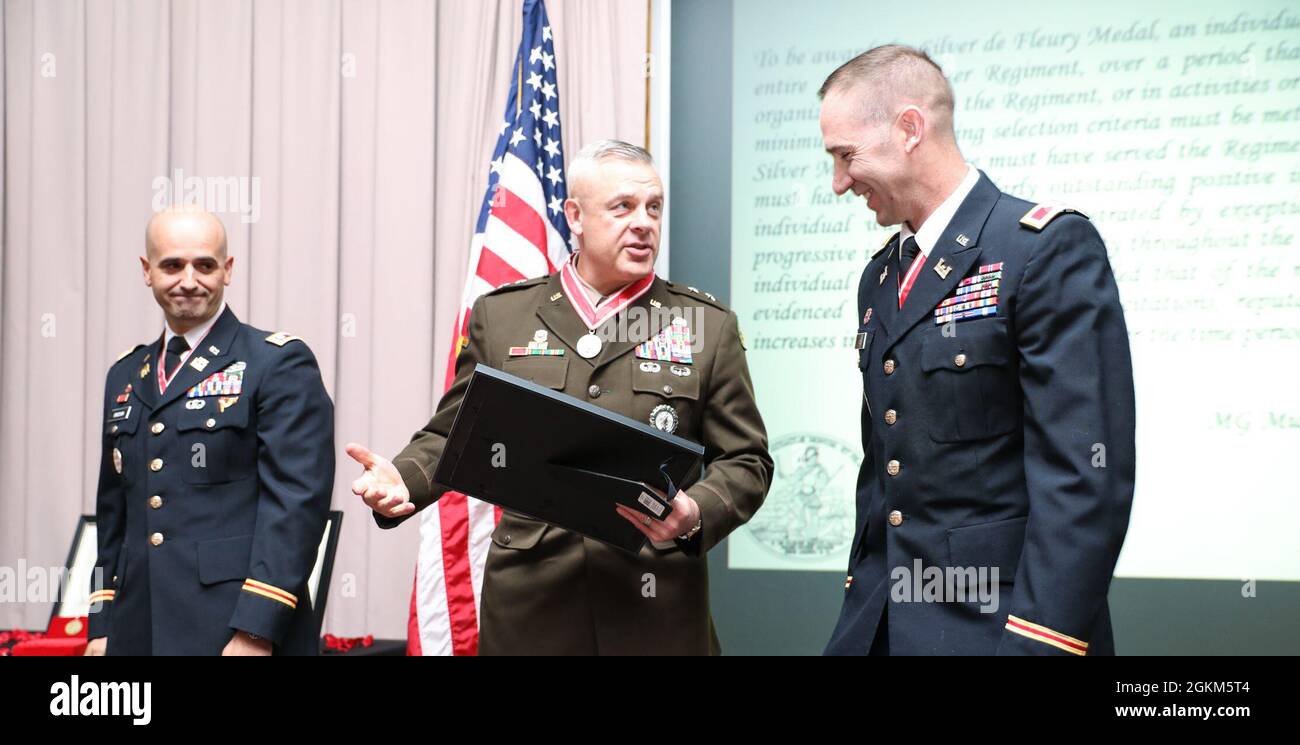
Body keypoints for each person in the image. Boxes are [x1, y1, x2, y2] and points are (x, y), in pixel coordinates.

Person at [347, 140, 772, 655]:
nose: (643, 222)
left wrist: (697, 511)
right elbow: (455, 433)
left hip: (654, 607)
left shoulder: (705, 325)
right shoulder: (504, 316)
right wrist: (404, 480)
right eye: (622, 207)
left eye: (654, 207)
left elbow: (746, 460)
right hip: (532, 606)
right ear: (575, 215)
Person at [817, 45, 1136, 655]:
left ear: (910, 128)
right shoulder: (881, 276)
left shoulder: (1044, 250)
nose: (838, 183)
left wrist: (1042, 642)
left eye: (846, 155)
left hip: (995, 631)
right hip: (881, 622)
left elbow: (1084, 478)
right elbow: (886, 472)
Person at [86, 204, 334, 656]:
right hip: (137, 628)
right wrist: (103, 622)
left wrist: (256, 630)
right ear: (147, 271)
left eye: (204, 265)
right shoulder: (124, 375)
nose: (188, 280)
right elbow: (112, 515)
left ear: (228, 269)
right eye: (171, 265)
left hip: (234, 628)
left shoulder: (276, 363)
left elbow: (296, 508)